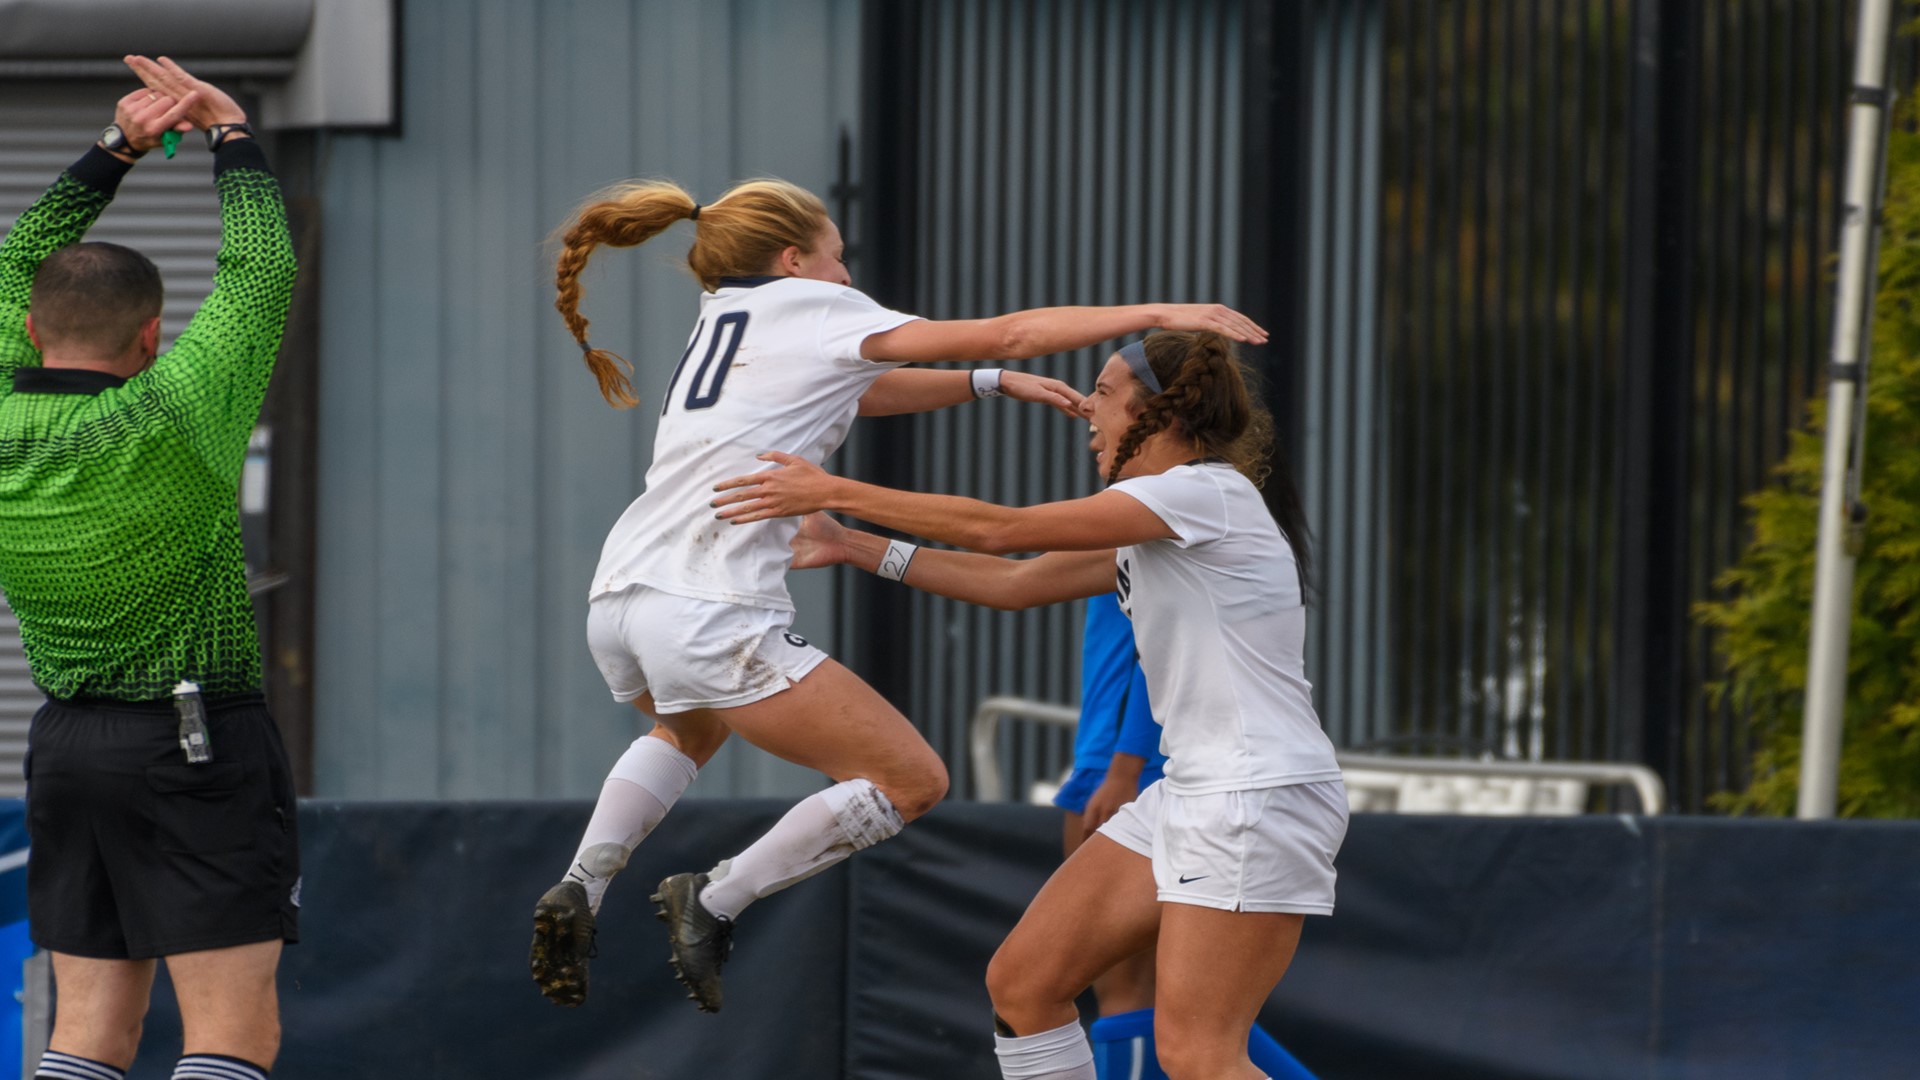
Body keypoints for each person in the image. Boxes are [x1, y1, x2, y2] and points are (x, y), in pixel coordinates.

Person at [525, 175, 1269, 1016]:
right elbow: (1017, 331)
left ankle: (582, 883)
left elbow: (863, 387)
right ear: (794, 258)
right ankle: (718, 897)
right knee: (909, 780)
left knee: (687, 729)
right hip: (711, 601)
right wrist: (1163, 314)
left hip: (623, 593)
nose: (849, 278)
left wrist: (987, 384)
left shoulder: (722, 319)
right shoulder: (813, 304)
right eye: (840, 259)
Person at [715, 328, 1346, 1080]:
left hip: (1256, 795)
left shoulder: (1203, 492)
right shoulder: (1156, 519)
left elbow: (1000, 531)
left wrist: (831, 488)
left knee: (1197, 1055)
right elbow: (1013, 585)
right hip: (1193, 791)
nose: (1089, 412)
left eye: (1106, 396)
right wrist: (853, 545)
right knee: (1024, 984)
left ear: (1165, 417)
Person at [0, 58, 299, 1080]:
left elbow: (18, 262)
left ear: (33, 330)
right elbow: (259, 275)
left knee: (84, 1034)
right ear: (151, 337)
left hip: (68, 747)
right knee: (231, 1035)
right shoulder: (175, 415)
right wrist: (231, 137)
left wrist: (114, 147)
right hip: (197, 742)